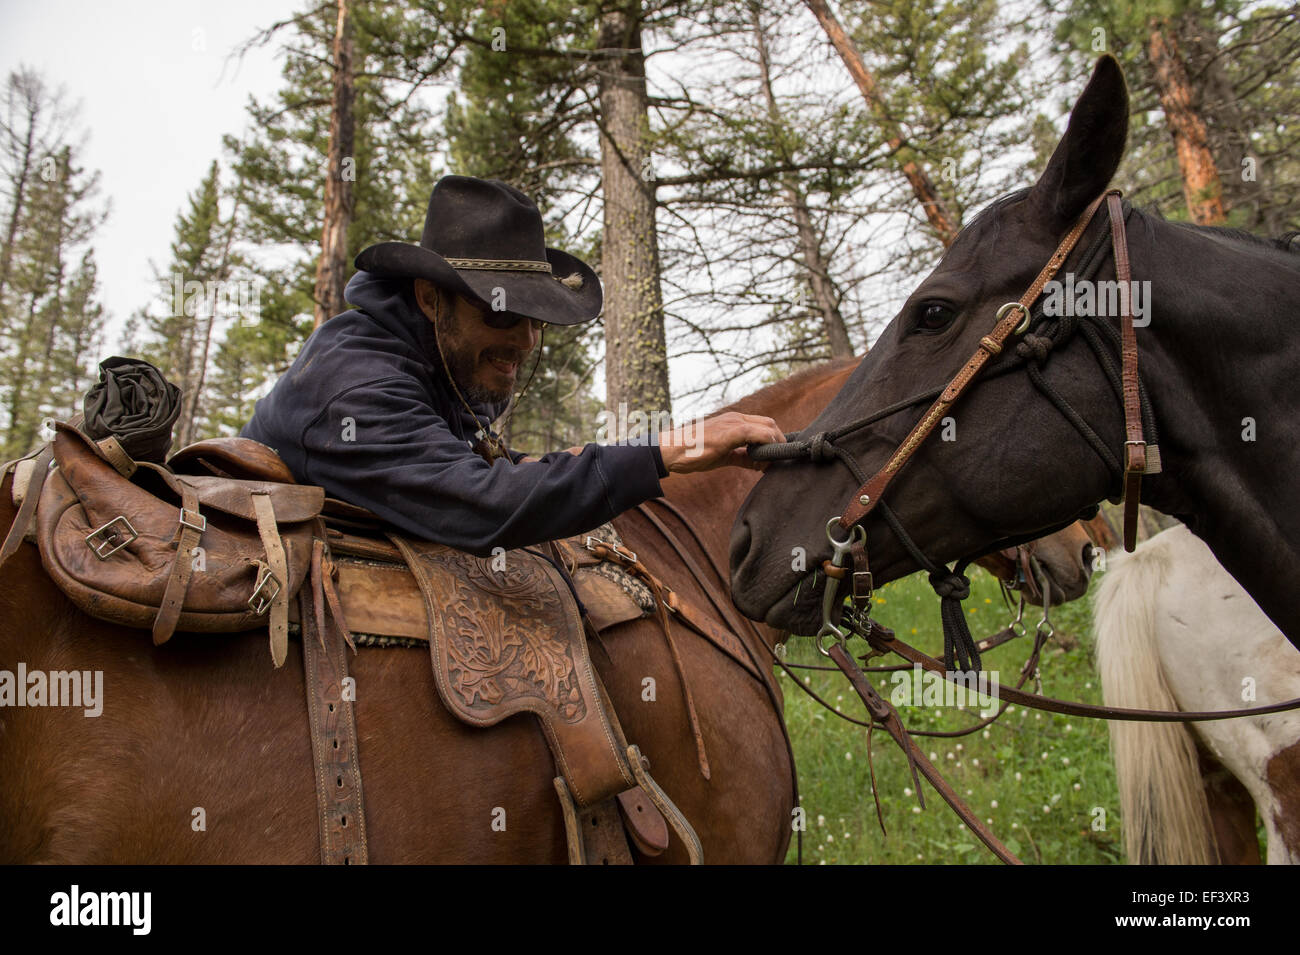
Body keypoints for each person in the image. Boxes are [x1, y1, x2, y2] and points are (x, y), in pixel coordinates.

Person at [242, 176, 783, 556]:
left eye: (536, 321)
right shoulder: (358, 387)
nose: (525, 340)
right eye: (502, 315)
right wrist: (669, 450)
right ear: (431, 299)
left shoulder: (428, 360)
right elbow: (479, 505)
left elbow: (481, 467)